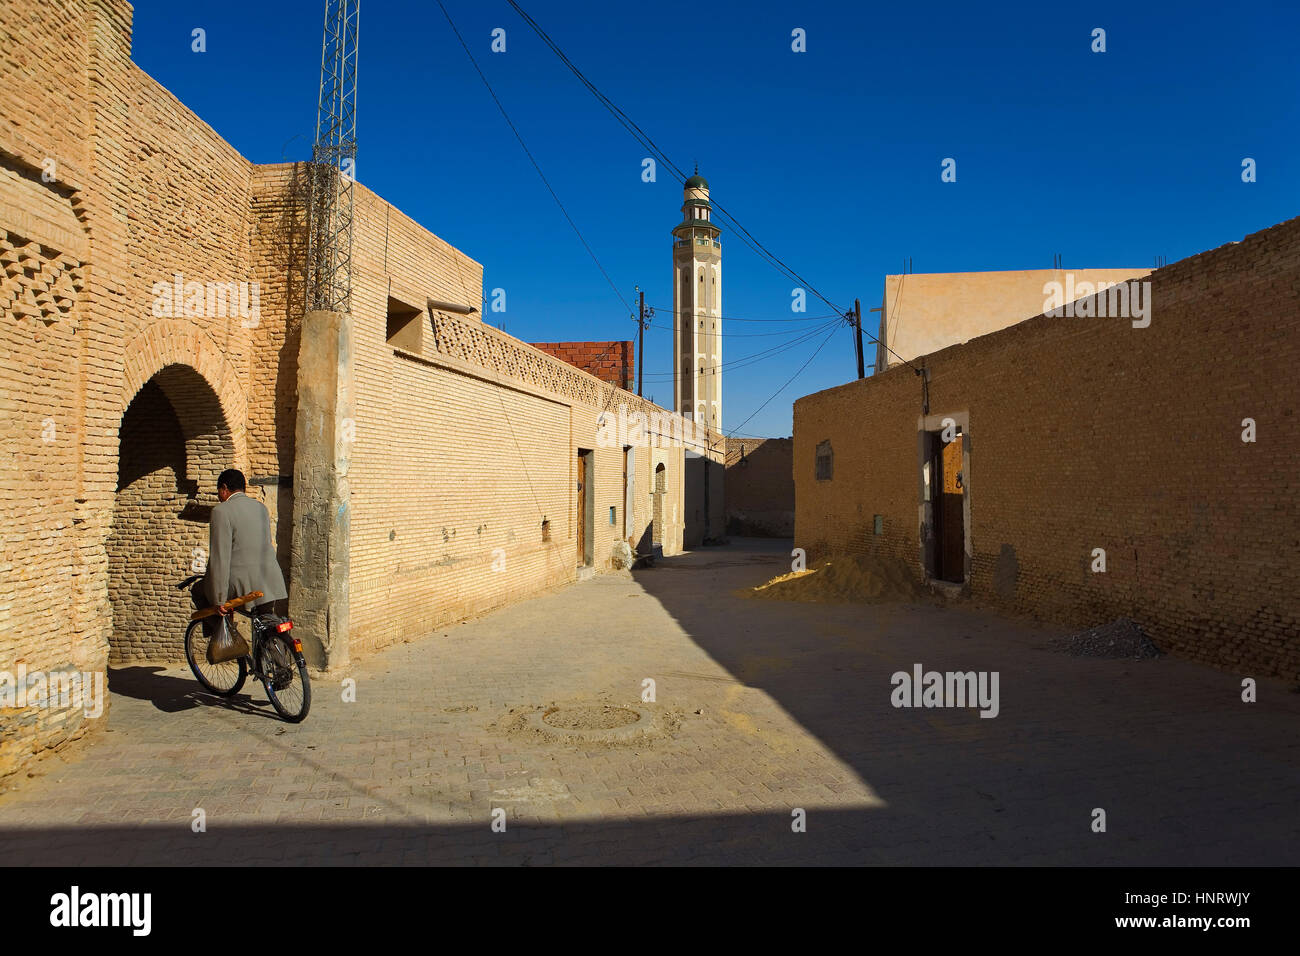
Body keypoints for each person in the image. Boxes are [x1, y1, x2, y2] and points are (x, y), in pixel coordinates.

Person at [193, 469, 288, 632]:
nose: (219, 497)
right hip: (269, 578)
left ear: (224, 488)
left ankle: (231, 640)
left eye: (219, 492)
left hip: (242, 583)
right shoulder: (261, 508)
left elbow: (220, 558)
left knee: (198, 590)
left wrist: (219, 599)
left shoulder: (221, 511)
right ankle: (277, 655)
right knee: (267, 624)